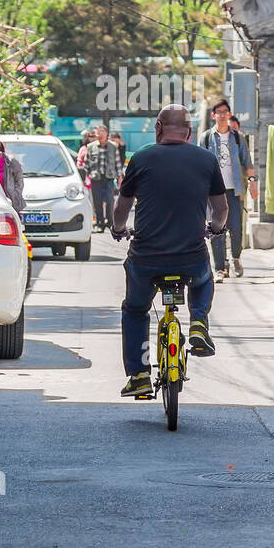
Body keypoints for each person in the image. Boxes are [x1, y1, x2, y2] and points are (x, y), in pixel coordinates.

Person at [110, 104, 228, 399]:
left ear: (158, 129)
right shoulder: (206, 159)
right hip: (191, 257)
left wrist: (118, 229)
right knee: (203, 280)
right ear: (189, 132)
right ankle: (198, 321)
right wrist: (214, 229)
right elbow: (221, 208)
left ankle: (138, 375)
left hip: (146, 260)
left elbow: (122, 207)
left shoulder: (141, 158)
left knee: (135, 309)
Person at [199, 99, 257, 278]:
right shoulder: (206, 138)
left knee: (236, 228)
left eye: (225, 112)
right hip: (214, 192)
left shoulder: (238, 137)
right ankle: (219, 268)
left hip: (235, 190)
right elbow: (200, 165)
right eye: (219, 112)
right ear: (213, 115)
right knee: (216, 229)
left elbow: (247, 162)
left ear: (229, 114)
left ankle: (236, 258)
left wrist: (253, 182)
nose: (222, 115)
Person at [85, 123, 122, 232]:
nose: (100, 134)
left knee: (110, 200)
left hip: (109, 177)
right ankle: (100, 222)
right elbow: (87, 164)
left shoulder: (113, 146)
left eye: (102, 132)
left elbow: (118, 163)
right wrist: (86, 175)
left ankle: (110, 222)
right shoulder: (91, 147)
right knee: (97, 201)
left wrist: (120, 176)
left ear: (106, 133)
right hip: (95, 177)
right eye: (98, 132)